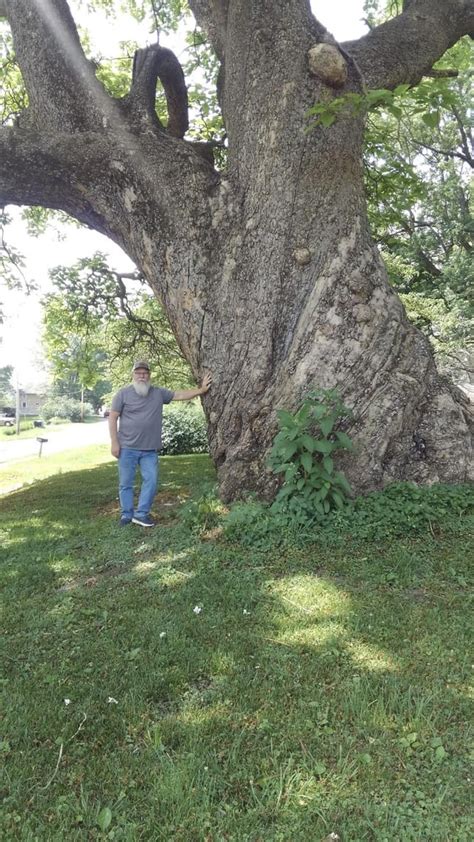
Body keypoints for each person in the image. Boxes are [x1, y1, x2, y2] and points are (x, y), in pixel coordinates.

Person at [108, 360, 212, 527]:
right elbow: (112, 417)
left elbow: (179, 395)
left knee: (151, 480)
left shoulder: (158, 393)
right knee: (125, 483)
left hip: (150, 449)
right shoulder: (123, 394)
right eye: (138, 373)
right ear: (133, 375)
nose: (141, 376)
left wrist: (201, 390)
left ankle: (141, 514)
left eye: (144, 373)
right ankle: (126, 515)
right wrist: (115, 442)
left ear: (149, 375)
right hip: (127, 447)